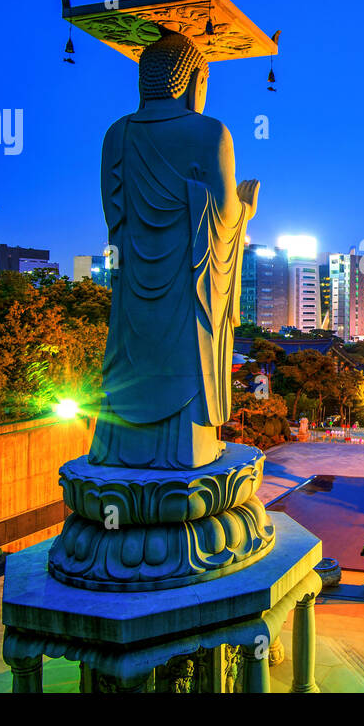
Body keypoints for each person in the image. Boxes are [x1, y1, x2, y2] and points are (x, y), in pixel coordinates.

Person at [88, 32, 259, 470]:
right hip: (188, 284)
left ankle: (118, 451)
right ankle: (189, 451)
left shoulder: (115, 134)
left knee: (131, 362)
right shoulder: (210, 131)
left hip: (133, 293)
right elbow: (221, 212)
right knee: (191, 355)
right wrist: (245, 209)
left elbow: (115, 217)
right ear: (193, 81)